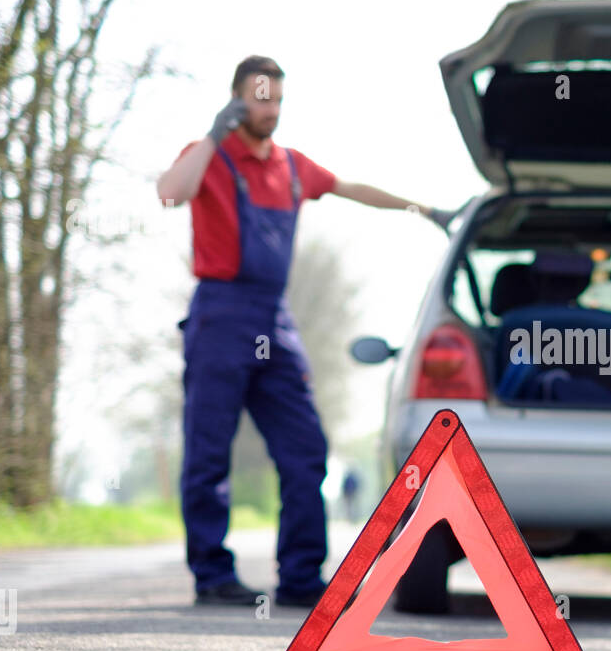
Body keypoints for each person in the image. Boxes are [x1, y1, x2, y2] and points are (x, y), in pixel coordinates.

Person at [156, 55, 451, 607]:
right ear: (236, 101)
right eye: (259, 98)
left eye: (277, 100)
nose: (270, 109)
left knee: (306, 448)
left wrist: (425, 209)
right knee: (208, 451)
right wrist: (211, 134)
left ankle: (299, 578)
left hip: (274, 317)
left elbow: (352, 187)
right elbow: (171, 192)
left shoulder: (291, 167)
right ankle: (213, 576)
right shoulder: (209, 157)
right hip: (221, 313)